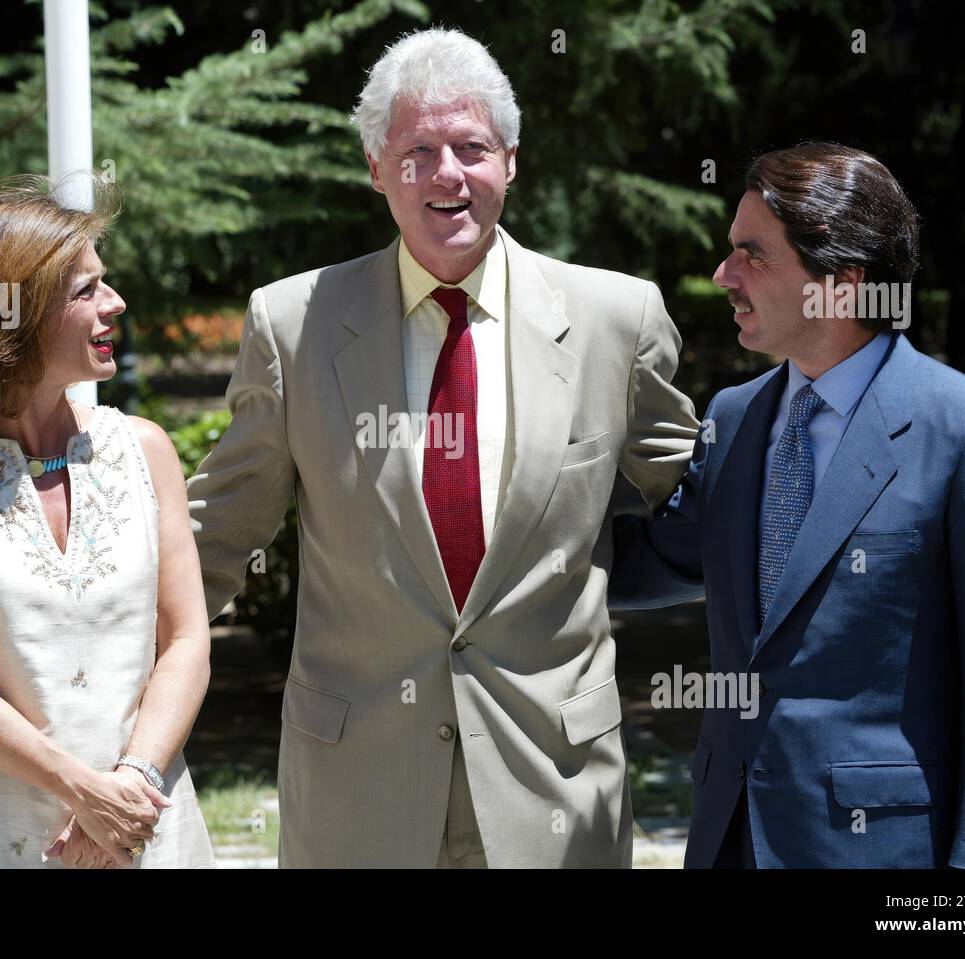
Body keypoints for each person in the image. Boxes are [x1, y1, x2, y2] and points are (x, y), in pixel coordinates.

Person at [187, 28, 699, 868]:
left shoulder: (617, 319)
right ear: (375, 167)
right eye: (417, 150)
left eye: (471, 146)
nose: (448, 174)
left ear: (511, 160)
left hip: (556, 792)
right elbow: (216, 532)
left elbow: (699, 504)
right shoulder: (293, 324)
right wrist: (98, 671)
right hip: (358, 797)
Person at [613, 143, 965, 867]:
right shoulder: (732, 417)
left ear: (842, 284)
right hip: (727, 839)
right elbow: (655, 558)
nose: (722, 276)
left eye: (752, 255)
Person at [0, 175, 216, 868]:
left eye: (104, 283)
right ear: (10, 316)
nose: (115, 303)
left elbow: (185, 639)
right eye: (86, 290)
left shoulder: (144, 449)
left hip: (146, 830)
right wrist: (82, 790)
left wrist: (131, 784)